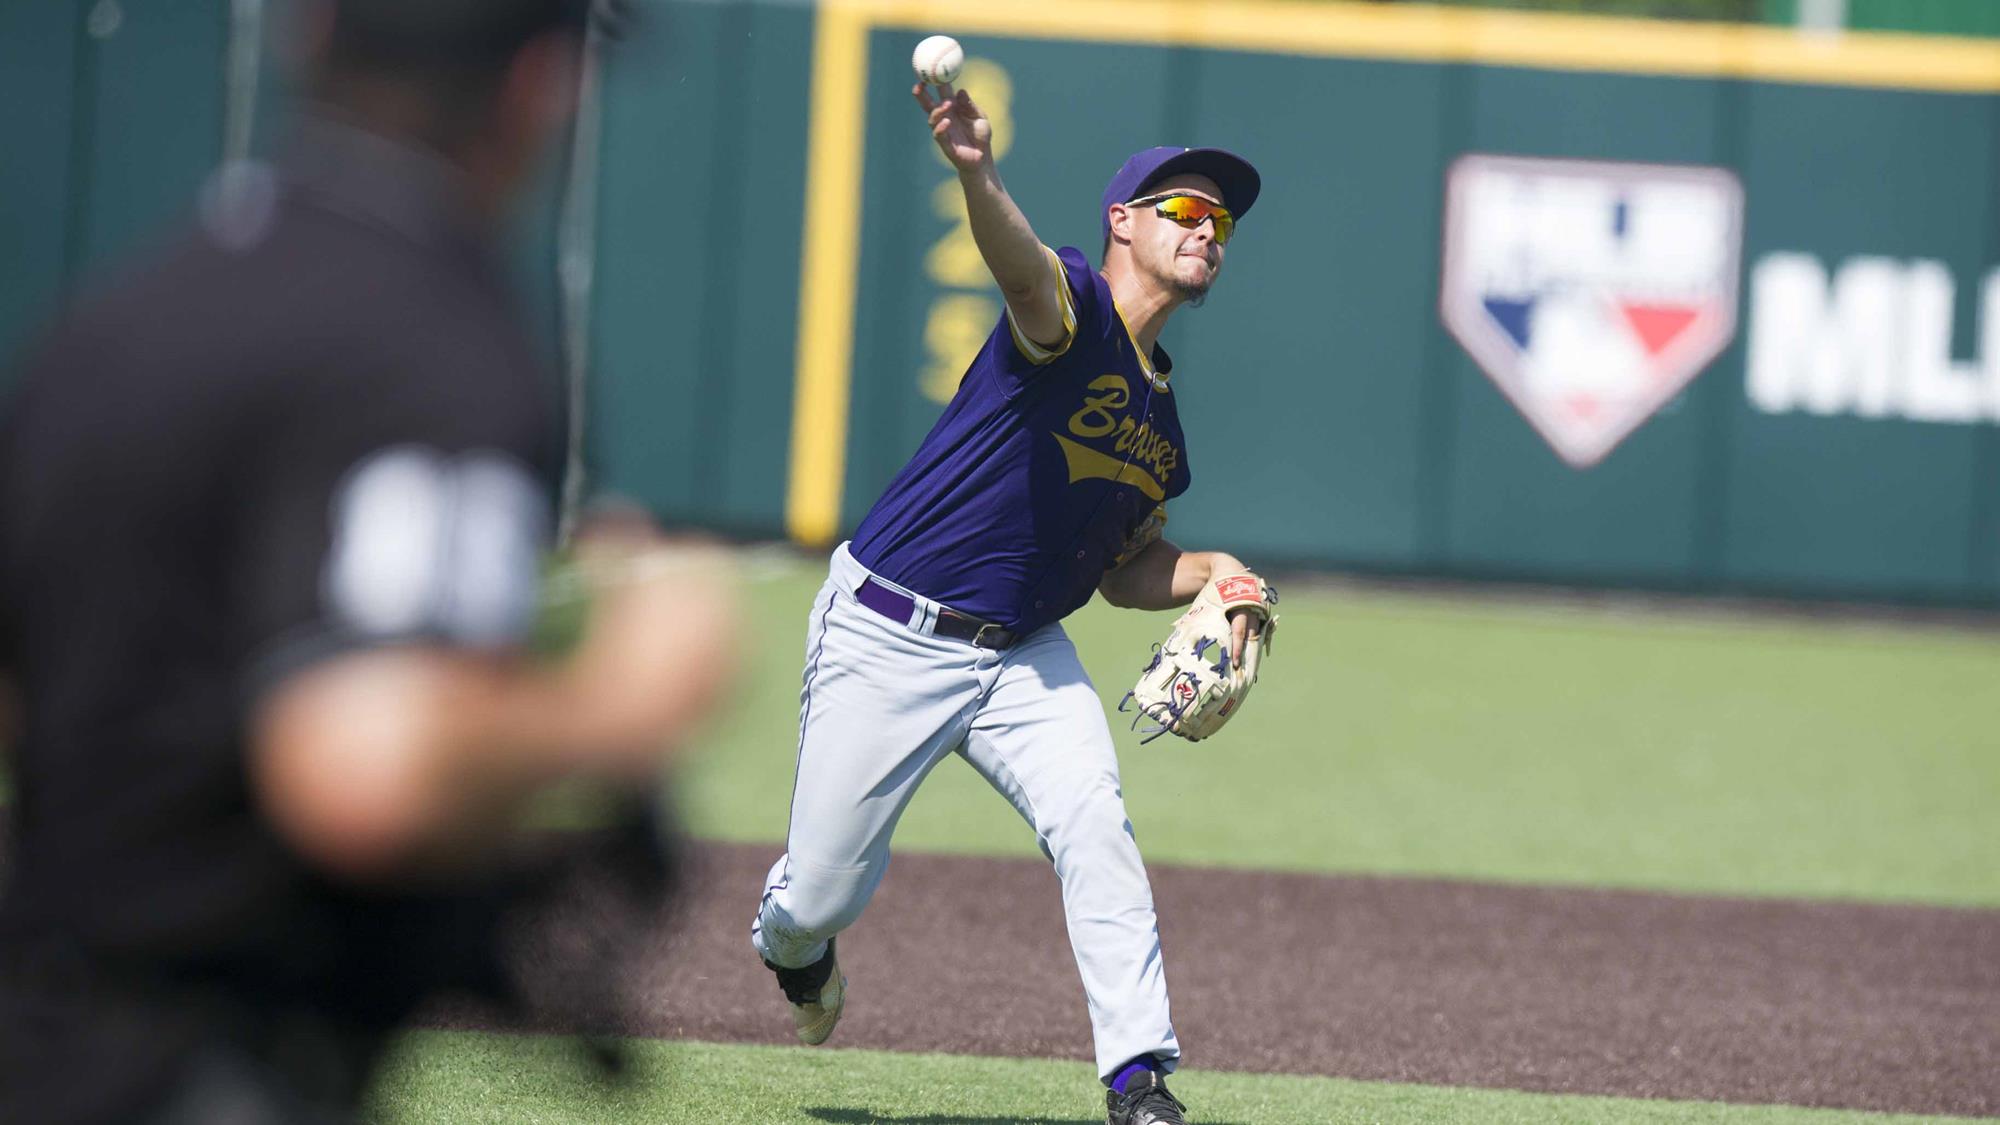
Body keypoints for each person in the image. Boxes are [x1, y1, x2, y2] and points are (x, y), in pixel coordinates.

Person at [0, 1, 734, 1120]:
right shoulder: (432, 334)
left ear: (310, 33)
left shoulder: (121, 319)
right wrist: (619, 697)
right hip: (208, 1070)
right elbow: (368, 761)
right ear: (539, 87)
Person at [748, 76, 1265, 1125]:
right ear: (1121, 223)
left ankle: (1138, 1079)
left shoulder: (1162, 431)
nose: (1206, 230)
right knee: (819, 898)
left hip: (1023, 650)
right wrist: (976, 172)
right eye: (1183, 209)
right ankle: (792, 948)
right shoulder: (1071, 309)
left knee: (1096, 825)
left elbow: (1124, 572)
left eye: (1220, 222)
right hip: (889, 630)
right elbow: (1019, 269)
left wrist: (1216, 569)